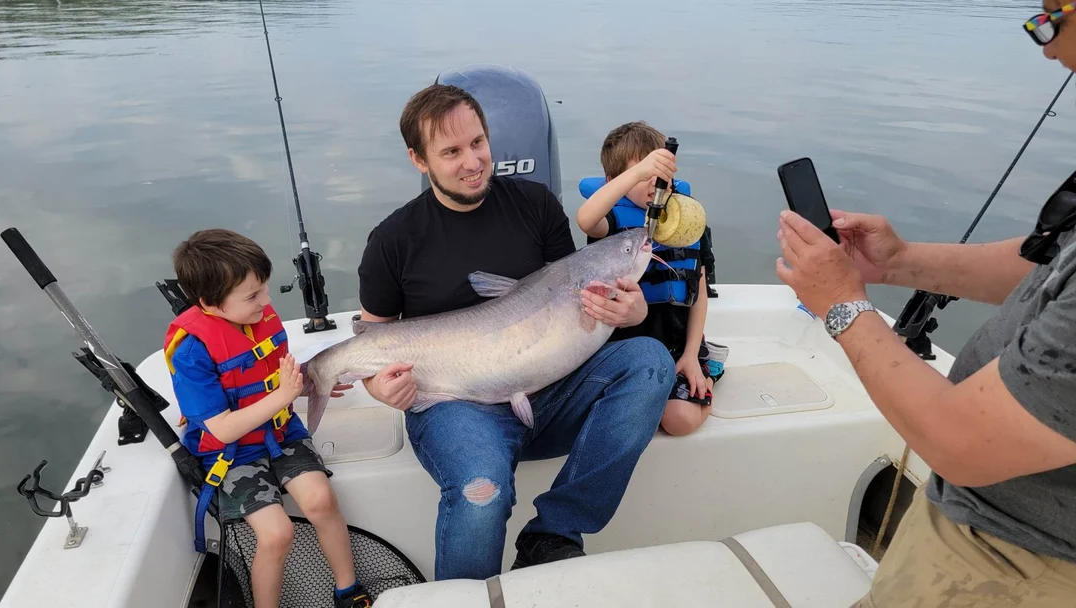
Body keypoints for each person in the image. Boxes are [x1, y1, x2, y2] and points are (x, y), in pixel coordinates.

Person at [775, 7, 1076, 601]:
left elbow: (963, 443)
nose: (1044, 49)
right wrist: (894, 262)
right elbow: (1048, 262)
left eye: (1051, 19)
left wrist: (842, 305)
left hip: (1015, 565)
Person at [355, 84, 675, 581]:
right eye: (451, 152)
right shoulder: (393, 241)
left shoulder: (535, 204)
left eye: (478, 143)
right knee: (482, 492)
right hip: (455, 405)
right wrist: (381, 387)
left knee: (650, 360)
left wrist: (628, 314)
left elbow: (570, 303)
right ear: (419, 160)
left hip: (547, 394)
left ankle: (554, 532)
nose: (472, 162)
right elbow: (373, 339)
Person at [164, 229, 370, 608]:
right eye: (254, 296)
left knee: (321, 500)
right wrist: (284, 396)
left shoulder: (258, 316)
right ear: (211, 302)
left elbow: (269, 377)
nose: (267, 301)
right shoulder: (191, 353)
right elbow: (223, 428)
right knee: (276, 534)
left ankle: (348, 591)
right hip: (233, 453)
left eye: (265, 288)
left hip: (280, 432)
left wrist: (307, 385)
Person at [576, 121, 728, 436]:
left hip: (676, 345)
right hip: (623, 348)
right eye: (644, 175)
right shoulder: (612, 222)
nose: (655, 183)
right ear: (613, 182)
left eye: (662, 174)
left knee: (678, 421)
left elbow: (696, 286)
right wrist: (638, 171)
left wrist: (690, 353)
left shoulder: (685, 221)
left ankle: (706, 370)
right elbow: (586, 219)